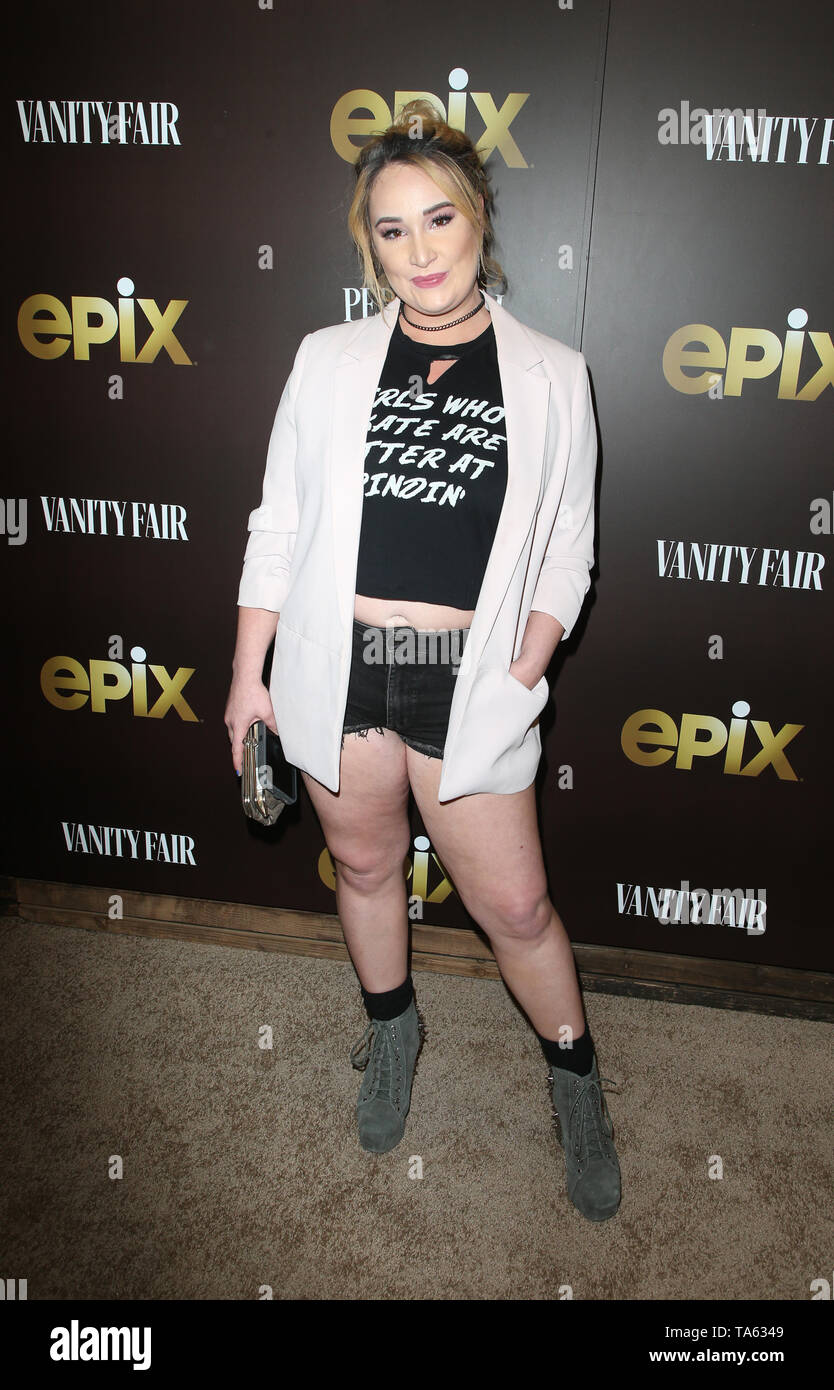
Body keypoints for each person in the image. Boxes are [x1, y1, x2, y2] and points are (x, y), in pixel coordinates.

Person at [225, 100, 621, 1222]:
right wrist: (249, 673)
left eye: (439, 218)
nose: (420, 250)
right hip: (335, 667)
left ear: (479, 216)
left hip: (467, 683)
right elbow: (279, 523)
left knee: (521, 908)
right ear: (369, 244)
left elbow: (569, 549)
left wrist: (524, 666)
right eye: (391, 231)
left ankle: (576, 1078)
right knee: (362, 871)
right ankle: (394, 1029)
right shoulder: (329, 358)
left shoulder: (551, 370)